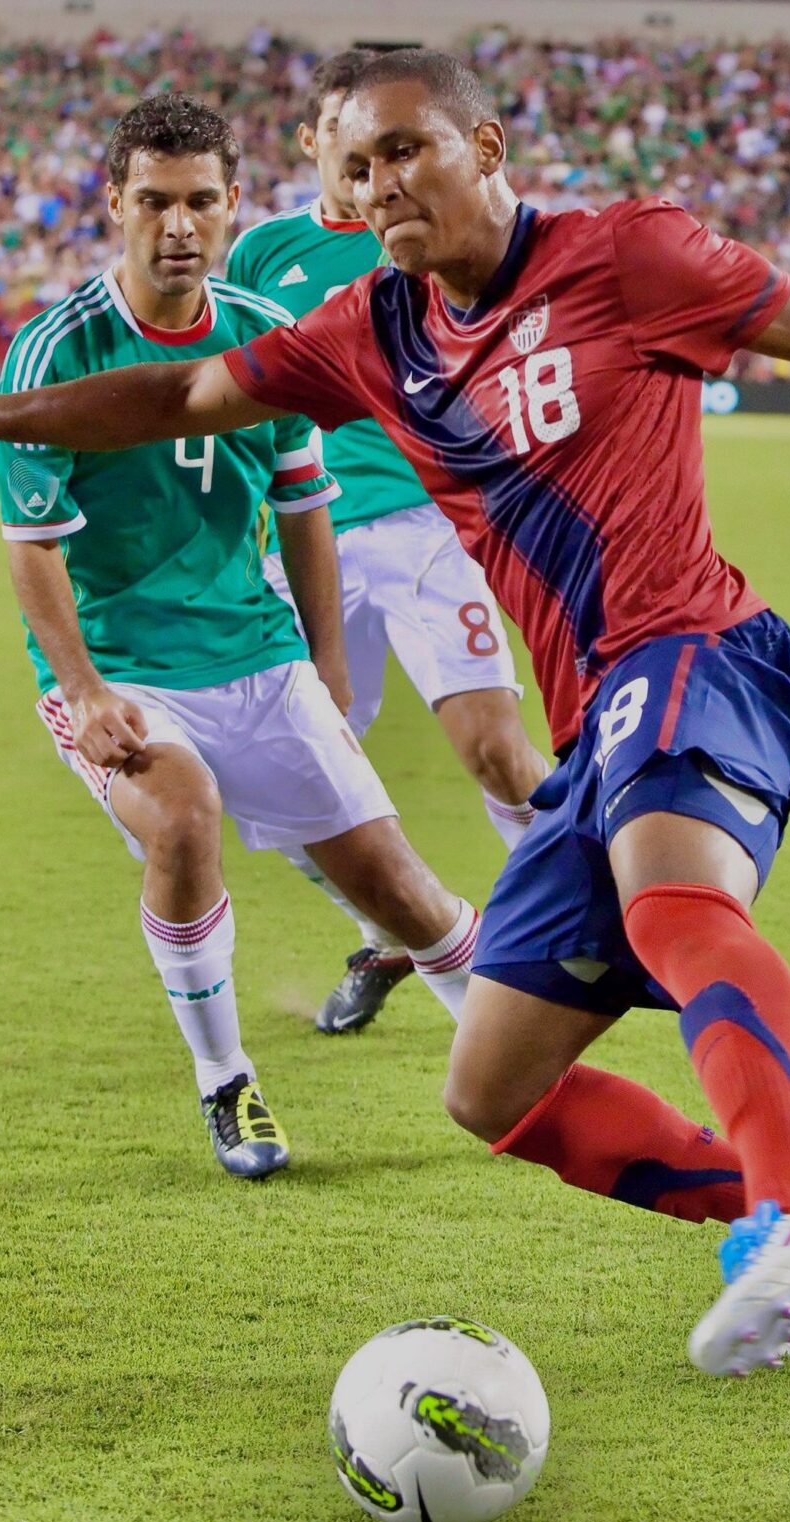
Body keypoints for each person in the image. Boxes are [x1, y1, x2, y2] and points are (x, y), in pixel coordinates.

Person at [0, 52, 790, 1372]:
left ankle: (789, 1215)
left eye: (407, 151)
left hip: (701, 649)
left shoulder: (623, 255)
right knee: (493, 1091)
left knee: (672, 904)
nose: (381, 185)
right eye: (356, 169)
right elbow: (182, 394)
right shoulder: (374, 330)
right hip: (601, 723)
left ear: (482, 145)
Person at [0, 93, 484, 1184]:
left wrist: (327, 672)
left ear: (232, 206)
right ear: (113, 204)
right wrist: (84, 689)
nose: (178, 227)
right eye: (152, 201)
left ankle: (511, 1064)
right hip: (120, 670)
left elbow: (304, 510)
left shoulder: (266, 335)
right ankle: (225, 1081)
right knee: (184, 816)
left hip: (256, 655)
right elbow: (34, 547)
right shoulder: (52, 350)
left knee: (399, 892)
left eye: (200, 202)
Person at [227, 51, 546, 1035]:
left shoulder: (430, 233)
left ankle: (596, 919)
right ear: (316, 143)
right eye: (347, 143)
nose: (368, 164)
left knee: (494, 750)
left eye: (388, 144)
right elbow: (230, 394)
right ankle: (407, 928)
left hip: (426, 527)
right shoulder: (260, 253)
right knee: (272, 784)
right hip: (300, 539)